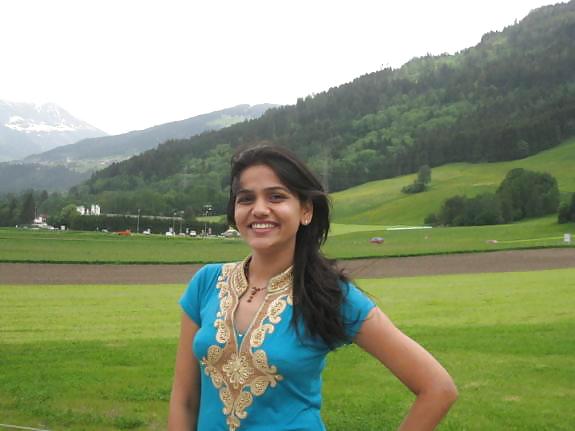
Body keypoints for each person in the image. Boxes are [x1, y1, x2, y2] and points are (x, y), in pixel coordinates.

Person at [168, 145, 457, 431]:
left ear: (306, 210)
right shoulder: (207, 283)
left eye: (276, 196)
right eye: (246, 199)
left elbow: (438, 388)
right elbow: (185, 400)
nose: (259, 209)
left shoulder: (328, 294)